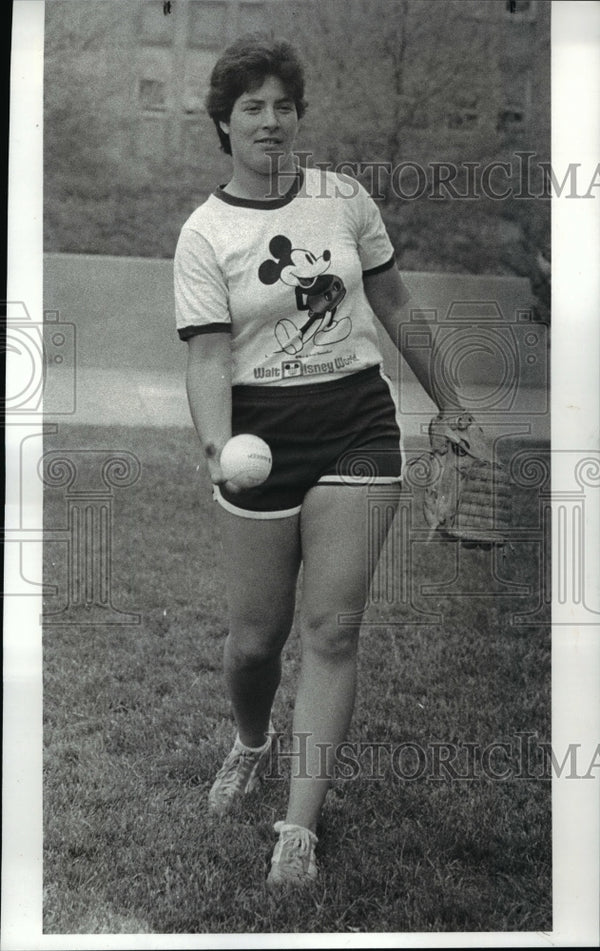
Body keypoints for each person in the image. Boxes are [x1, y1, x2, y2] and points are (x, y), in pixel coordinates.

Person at [174, 33, 460, 888]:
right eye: (251, 108)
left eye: (283, 106)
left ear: (299, 116)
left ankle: (297, 829)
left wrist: (453, 405)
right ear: (224, 124)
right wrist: (218, 447)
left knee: (333, 629)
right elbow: (206, 357)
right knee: (255, 641)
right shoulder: (205, 233)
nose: (270, 120)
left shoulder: (343, 199)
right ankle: (250, 740)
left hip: (355, 425)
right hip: (260, 441)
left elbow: (396, 303)